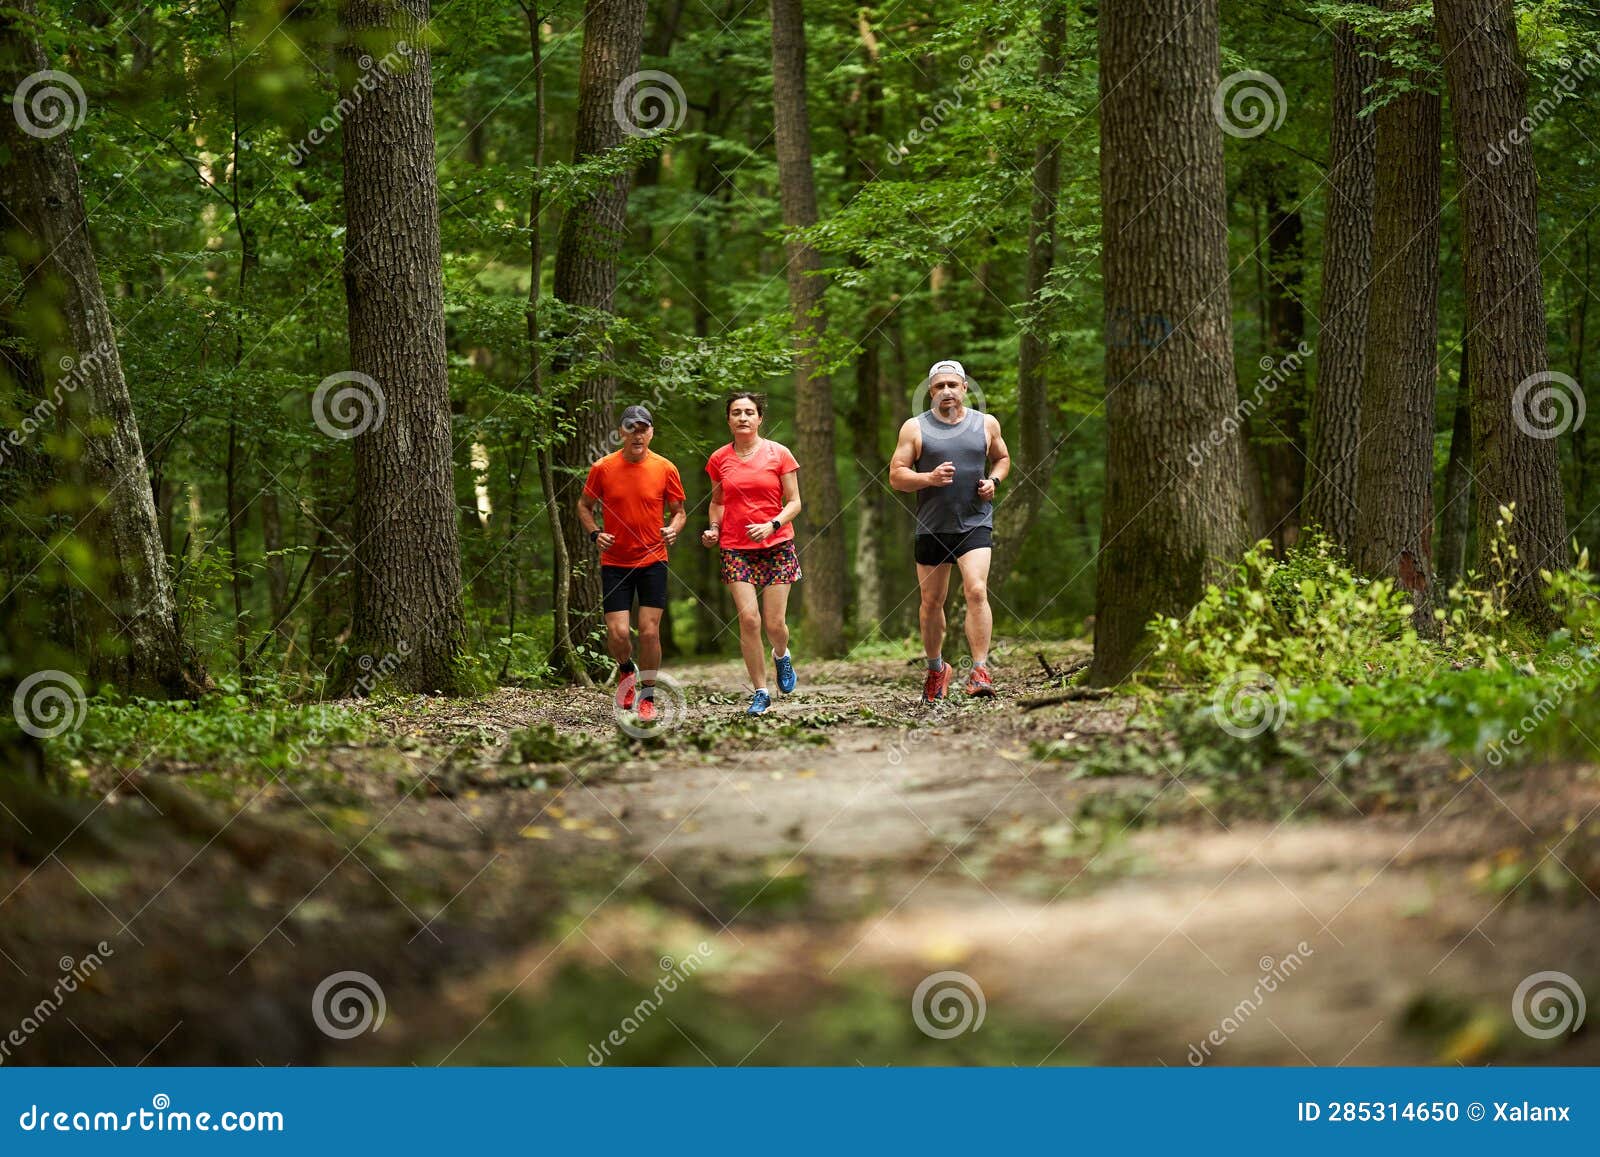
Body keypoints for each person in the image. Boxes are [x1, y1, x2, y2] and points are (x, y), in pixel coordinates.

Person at [889, 359, 1011, 702]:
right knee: (931, 602)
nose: (946, 391)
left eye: (952, 385)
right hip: (932, 526)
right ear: (931, 392)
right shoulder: (914, 428)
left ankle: (980, 670)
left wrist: (993, 481)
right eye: (939, 386)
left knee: (976, 590)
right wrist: (928, 478)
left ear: (964, 388)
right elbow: (896, 475)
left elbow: (1002, 458)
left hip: (974, 522)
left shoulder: (986, 424)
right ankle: (936, 669)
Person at [577, 405, 686, 722]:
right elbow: (584, 506)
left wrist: (673, 528)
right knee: (619, 633)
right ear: (621, 431)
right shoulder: (603, 467)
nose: (638, 434)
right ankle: (626, 670)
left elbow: (679, 511)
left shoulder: (665, 468)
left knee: (650, 633)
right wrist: (595, 533)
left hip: (653, 559)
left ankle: (647, 694)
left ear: (651, 432)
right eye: (631, 428)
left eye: (643, 428)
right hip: (615, 561)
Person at [700, 393, 803, 716]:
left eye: (749, 412)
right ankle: (760, 692)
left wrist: (772, 525)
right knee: (748, 619)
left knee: (774, 624)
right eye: (736, 413)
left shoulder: (779, 454)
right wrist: (714, 529)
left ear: (760, 418)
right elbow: (717, 502)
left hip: (777, 545)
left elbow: (795, 502)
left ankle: (781, 655)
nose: (743, 417)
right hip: (735, 547)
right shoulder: (719, 459)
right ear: (728, 420)